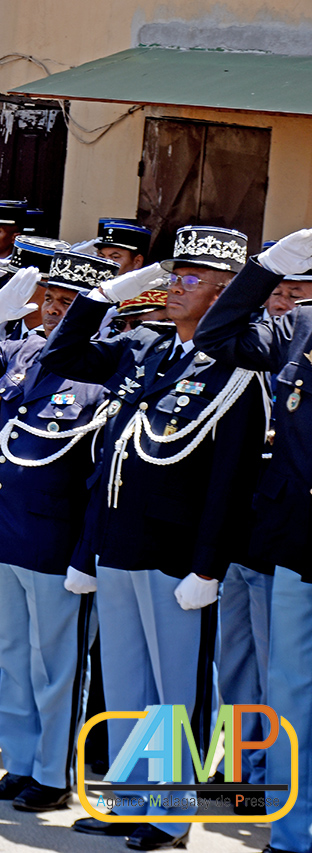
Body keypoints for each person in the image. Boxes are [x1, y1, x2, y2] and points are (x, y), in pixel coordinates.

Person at [40, 225, 266, 850]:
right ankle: (129, 797)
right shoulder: (144, 349)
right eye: (174, 275)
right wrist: (104, 296)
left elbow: (230, 479)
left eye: (192, 279)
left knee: (175, 694)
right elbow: (60, 359)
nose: (174, 288)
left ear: (225, 297)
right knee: (128, 681)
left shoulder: (237, 371)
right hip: (119, 542)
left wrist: (208, 567)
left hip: (176, 556)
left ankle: (169, 816)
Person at [0, 250, 121, 812]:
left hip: (52, 542)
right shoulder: (19, 352)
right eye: (53, 301)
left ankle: (52, 772)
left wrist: (84, 555)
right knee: (12, 655)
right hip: (4, 533)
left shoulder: (102, 369)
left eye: (71, 305)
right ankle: (18, 764)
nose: (55, 313)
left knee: (55, 665)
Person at [194, 227, 312, 853]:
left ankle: (267, 787)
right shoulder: (289, 331)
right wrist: (264, 271)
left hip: (277, 534)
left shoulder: (296, 334)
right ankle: (252, 790)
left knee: (281, 676)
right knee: (249, 675)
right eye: (282, 286)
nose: (286, 296)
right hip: (255, 533)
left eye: (298, 286)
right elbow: (218, 335)